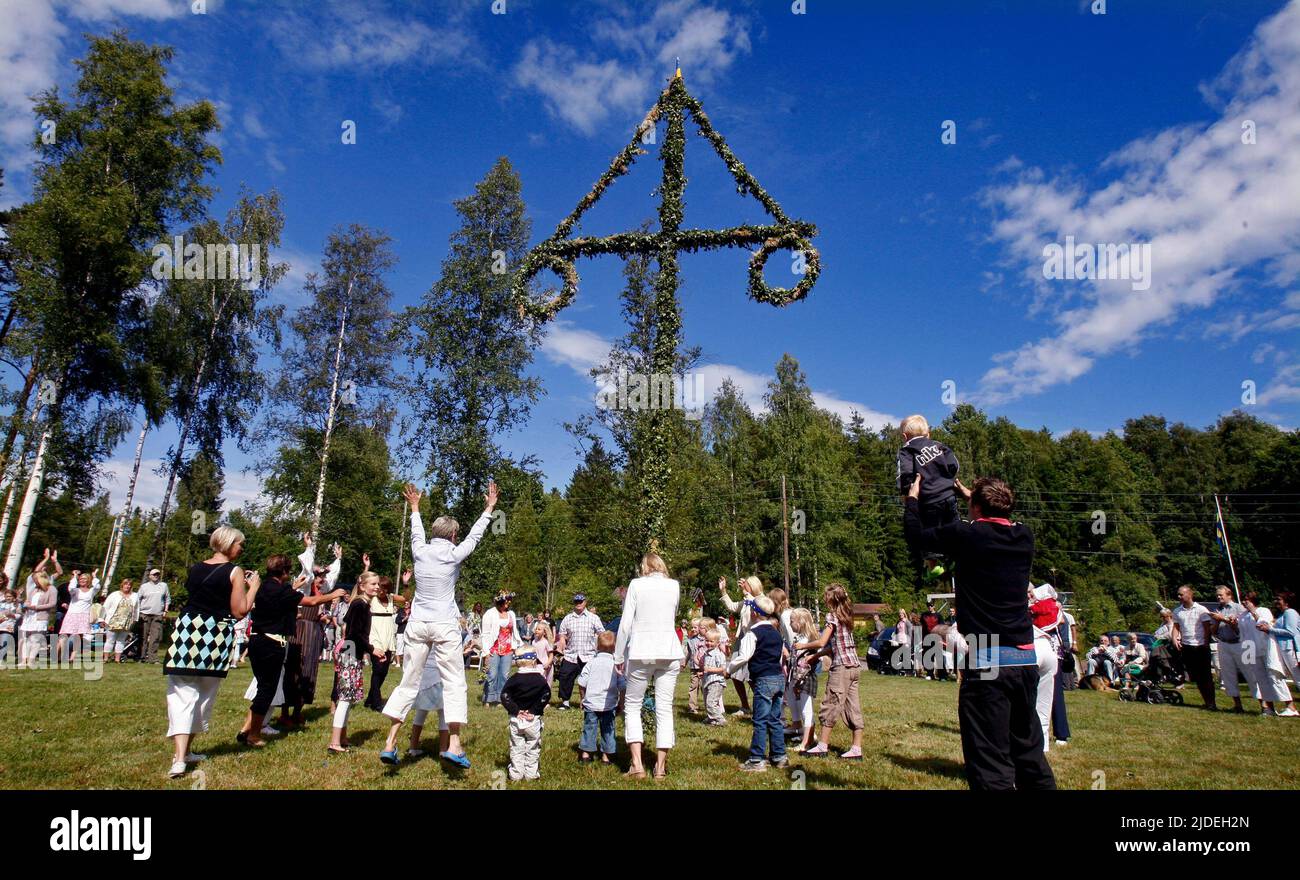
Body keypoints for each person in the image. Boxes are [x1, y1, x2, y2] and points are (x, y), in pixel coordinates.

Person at [903, 473, 1055, 791]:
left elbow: (917, 536)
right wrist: (971, 494)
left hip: (987, 660)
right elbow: (995, 513)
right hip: (1024, 658)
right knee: (1028, 755)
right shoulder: (1024, 536)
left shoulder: (967, 535)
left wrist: (913, 500)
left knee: (990, 763)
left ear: (974, 506)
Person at [380, 480, 498, 770]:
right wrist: (489, 508)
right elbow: (476, 536)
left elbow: (416, 531)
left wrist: (415, 507)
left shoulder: (420, 550)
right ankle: (454, 745)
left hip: (418, 624)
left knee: (409, 681)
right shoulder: (454, 553)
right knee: (454, 683)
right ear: (453, 535)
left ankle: (390, 743)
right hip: (444, 624)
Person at [164, 525, 258, 779]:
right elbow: (240, 610)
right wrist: (254, 587)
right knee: (203, 696)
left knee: (182, 695)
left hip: (187, 632)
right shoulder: (234, 571)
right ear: (229, 544)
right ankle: (182, 757)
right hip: (214, 636)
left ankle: (182, 756)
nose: (241, 548)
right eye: (239, 544)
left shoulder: (195, 568)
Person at [238, 556, 344, 748]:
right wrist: (333, 594)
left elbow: (278, 599)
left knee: (262, 687)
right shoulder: (282, 591)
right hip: (272, 644)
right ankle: (253, 734)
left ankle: (246, 729)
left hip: (256, 640)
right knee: (266, 690)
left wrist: (293, 587)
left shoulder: (263, 587)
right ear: (285, 572)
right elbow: (311, 601)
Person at [615, 552, 682, 780]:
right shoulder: (674, 585)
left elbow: (625, 623)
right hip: (669, 650)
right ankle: (660, 768)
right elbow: (671, 616)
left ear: (644, 567)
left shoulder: (636, 585)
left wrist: (617, 656)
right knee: (664, 707)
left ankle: (637, 765)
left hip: (642, 650)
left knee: (632, 706)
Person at [794, 582, 863, 760]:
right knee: (853, 706)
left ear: (831, 600)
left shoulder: (832, 617)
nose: (824, 600)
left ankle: (822, 746)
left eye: (826, 597)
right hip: (854, 667)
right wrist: (815, 657)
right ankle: (856, 748)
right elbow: (833, 647)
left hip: (841, 669)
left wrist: (804, 646)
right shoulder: (846, 617)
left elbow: (821, 642)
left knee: (831, 703)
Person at [280, 535, 342, 728]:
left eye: (323, 578)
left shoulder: (321, 591)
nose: (322, 580)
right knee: (293, 668)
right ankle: (284, 711)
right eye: (319, 578)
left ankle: (298, 710)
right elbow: (308, 569)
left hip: (313, 632)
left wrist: (338, 559)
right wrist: (309, 547)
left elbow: (332, 577)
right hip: (298, 631)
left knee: (308, 669)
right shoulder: (304, 590)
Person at [896, 414, 963, 574]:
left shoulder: (907, 451)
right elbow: (954, 464)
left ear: (905, 437)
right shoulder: (939, 446)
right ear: (928, 433)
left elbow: (904, 474)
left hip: (928, 500)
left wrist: (907, 491)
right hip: (949, 496)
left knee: (929, 530)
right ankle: (956, 558)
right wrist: (947, 477)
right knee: (953, 526)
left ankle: (933, 564)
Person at [728, 594, 788, 772]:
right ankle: (779, 756)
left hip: (763, 679)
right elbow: (779, 657)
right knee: (775, 719)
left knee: (760, 720)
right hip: (778, 678)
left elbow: (744, 656)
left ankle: (756, 760)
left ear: (754, 612)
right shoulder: (777, 634)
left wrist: (728, 670)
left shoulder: (753, 634)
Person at [329, 572, 382, 754]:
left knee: (349, 697)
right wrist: (371, 649)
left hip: (353, 653)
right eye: (373, 584)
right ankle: (335, 742)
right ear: (362, 585)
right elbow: (354, 633)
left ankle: (342, 737)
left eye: (377, 584)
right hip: (350, 653)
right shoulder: (359, 604)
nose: (376, 587)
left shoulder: (362, 604)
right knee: (344, 698)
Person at [1239, 593, 1296, 716]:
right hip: (1252, 650)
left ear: (1253, 601)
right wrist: (1246, 654)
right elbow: (1243, 634)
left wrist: (1254, 612)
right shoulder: (1242, 616)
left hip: (1267, 647)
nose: (1244, 602)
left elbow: (1265, 625)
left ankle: (1290, 707)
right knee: (1261, 679)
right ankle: (1269, 708)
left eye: (1246, 600)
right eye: (1243, 600)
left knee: (1275, 676)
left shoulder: (1263, 610)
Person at [500, 651, 551, 781]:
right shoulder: (540, 679)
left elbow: (505, 696)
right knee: (533, 747)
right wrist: (534, 710)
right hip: (533, 720)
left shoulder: (514, 679)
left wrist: (516, 710)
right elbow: (546, 695)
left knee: (516, 747)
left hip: (516, 719)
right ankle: (531, 774)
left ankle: (516, 774)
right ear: (534, 662)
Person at [719, 574, 764, 716]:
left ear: (753, 586)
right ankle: (745, 706)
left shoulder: (760, 600)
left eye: (746, 585)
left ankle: (763, 705)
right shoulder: (746, 602)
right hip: (742, 638)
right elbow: (732, 606)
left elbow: (759, 608)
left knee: (752, 675)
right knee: (734, 673)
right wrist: (723, 591)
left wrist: (747, 594)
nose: (743, 587)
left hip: (754, 639)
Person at [577, 630, 623, 764]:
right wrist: (621, 702)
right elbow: (622, 685)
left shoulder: (591, 663)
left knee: (589, 727)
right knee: (608, 729)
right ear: (614, 647)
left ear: (597, 646)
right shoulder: (615, 665)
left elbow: (581, 682)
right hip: (609, 704)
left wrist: (582, 698)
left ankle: (586, 754)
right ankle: (606, 756)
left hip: (591, 702)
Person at [1171, 585, 1216, 710]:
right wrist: (1174, 638)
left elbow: (1207, 628)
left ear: (1190, 594)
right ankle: (1206, 701)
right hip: (1187, 646)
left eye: (1181, 594)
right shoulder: (1177, 611)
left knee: (1206, 676)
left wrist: (1206, 643)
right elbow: (1176, 627)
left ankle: (1211, 703)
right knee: (1196, 677)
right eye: (1178, 595)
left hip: (1201, 646)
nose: (1179, 597)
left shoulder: (1201, 609)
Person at [555, 593, 604, 709]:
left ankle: (588, 702)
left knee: (590, 680)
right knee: (565, 677)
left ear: (585, 602)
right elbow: (562, 633)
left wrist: (601, 648)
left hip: (589, 655)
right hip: (571, 654)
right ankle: (565, 702)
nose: (578, 604)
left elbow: (602, 633)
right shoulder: (568, 618)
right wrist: (561, 642)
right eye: (576, 602)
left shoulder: (593, 618)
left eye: (580, 601)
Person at [365, 567, 403, 711]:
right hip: (375, 639)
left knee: (384, 672)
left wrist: (405, 584)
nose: (381, 590)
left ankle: (370, 699)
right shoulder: (372, 599)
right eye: (380, 587)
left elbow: (405, 598)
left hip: (388, 639)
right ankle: (376, 702)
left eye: (384, 588)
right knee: (377, 670)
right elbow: (361, 585)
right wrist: (367, 568)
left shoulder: (390, 598)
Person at [1028, 585, 1060, 752]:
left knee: (1031, 699)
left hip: (1032, 646)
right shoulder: (1053, 605)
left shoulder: (1037, 605)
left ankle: (1036, 742)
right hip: (1046, 647)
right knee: (1043, 700)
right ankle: (1043, 743)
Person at [1209, 585, 1249, 713]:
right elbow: (1213, 632)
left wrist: (1224, 619)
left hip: (1240, 643)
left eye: (1221, 595)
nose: (1219, 597)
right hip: (1224, 644)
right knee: (1228, 675)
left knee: (1250, 673)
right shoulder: (1217, 610)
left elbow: (1242, 629)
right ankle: (1237, 705)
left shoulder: (1239, 608)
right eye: (1217, 595)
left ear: (1229, 595)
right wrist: (1216, 621)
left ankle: (1264, 705)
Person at [786, 608, 821, 752]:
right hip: (796, 677)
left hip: (806, 678)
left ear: (801, 622)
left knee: (807, 709)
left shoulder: (810, 639)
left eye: (792, 621)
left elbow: (817, 654)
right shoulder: (798, 637)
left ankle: (806, 742)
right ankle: (808, 737)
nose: (789, 623)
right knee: (800, 707)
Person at [480, 590, 521, 705]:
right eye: (506, 600)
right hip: (494, 648)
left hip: (508, 648)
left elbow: (514, 632)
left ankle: (500, 699)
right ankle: (488, 699)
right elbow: (485, 634)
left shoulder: (511, 614)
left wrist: (516, 646)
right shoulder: (490, 613)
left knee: (504, 675)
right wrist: (486, 652)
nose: (508, 603)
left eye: (509, 601)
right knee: (492, 674)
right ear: (500, 601)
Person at [18, 563, 57, 669]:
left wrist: (36, 607)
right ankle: (23, 660)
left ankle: (31, 660)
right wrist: (25, 604)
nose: (35, 581)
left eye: (36, 579)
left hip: (40, 617)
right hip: (29, 616)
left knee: (36, 639)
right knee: (26, 639)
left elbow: (52, 604)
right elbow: (28, 600)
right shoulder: (34, 589)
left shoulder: (51, 589)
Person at [58, 568, 100, 663]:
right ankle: (57, 656)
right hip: (72, 615)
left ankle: (72, 658)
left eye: (84, 579)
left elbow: (97, 587)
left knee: (79, 637)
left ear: (88, 580)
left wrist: (94, 576)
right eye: (81, 579)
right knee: (64, 635)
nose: (82, 580)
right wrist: (75, 577)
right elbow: (71, 588)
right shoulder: (75, 590)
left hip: (84, 616)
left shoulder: (91, 591)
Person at [99, 579, 139, 664]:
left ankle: (117, 659)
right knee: (110, 640)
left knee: (121, 640)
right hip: (112, 621)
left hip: (126, 622)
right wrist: (101, 619)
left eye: (129, 585)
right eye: (126, 584)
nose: (127, 586)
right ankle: (105, 658)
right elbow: (105, 607)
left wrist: (135, 620)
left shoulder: (135, 596)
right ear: (122, 585)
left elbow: (136, 609)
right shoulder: (114, 594)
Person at [137, 569, 171, 663]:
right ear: (150, 576)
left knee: (155, 637)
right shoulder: (144, 587)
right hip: (145, 614)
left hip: (158, 615)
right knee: (143, 637)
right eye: (154, 574)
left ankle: (153, 658)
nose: (156, 576)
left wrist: (165, 610)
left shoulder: (164, 585)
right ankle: (142, 657)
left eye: (158, 574)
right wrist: (138, 612)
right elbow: (137, 600)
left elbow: (167, 599)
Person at [1269, 592, 1300, 693]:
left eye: (1279, 599)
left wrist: (1270, 629)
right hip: (1285, 648)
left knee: (1298, 676)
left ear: (1286, 602)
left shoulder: (1290, 612)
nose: (1276, 602)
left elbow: (1291, 632)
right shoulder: (1282, 614)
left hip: (1291, 648)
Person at [701, 628, 728, 726]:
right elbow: (706, 668)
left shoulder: (718, 654)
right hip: (707, 681)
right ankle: (711, 718)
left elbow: (722, 668)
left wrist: (709, 670)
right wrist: (703, 673)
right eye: (706, 640)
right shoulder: (706, 653)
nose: (708, 643)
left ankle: (720, 719)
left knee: (711, 702)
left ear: (717, 643)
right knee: (706, 701)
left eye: (711, 641)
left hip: (716, 682)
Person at [684, 618, 706, 714]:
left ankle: (709, 706)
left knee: (704, 687)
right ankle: (692, 707)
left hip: (703, 667)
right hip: (693, 667)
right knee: (693, 686)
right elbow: (689, 653)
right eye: (692, 627)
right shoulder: (690, 640)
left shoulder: (705, 639)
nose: (693, 629)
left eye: (695, 627)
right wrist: (685, 662)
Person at [531, 619, 555, 686]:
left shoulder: (546, 642)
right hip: (536, 665)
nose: (536, 631)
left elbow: (551, 655)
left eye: (539, 629)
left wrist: (548, 663)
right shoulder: (533, 642)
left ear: (544, 632)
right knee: (537, 683)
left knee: (546, 684)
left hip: (545, 666)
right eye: (536, 629)